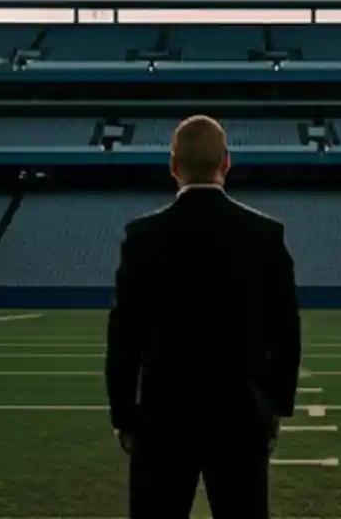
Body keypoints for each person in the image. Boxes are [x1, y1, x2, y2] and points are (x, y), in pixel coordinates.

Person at [105, 115, 301, 519]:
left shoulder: (143, 238)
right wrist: (275, 407)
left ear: (173, 165)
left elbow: (123, 337)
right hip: (240, 416)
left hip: (162, 418)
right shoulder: (264, 236)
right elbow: (286, 333)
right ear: (226, 161)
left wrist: (124, 415)